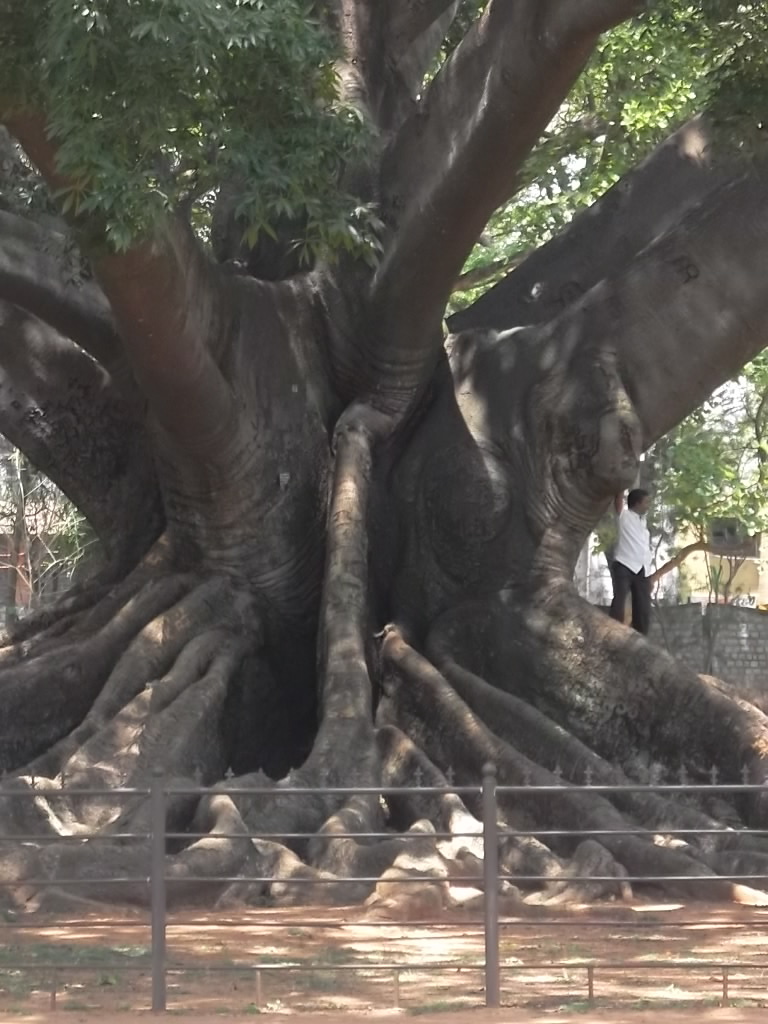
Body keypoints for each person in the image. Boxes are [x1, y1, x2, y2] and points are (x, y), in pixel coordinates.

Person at [609, 488, 652, 635]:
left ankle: (641, 636)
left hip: (642, 568)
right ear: (637, 503)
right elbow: (618, 501)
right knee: (619, 600)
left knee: (643, 606)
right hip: (624, 564)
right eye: (646, 502)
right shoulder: (624, 515)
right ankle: (613, 631)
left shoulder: (643, 521)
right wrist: (622, 484)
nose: (648, 505)